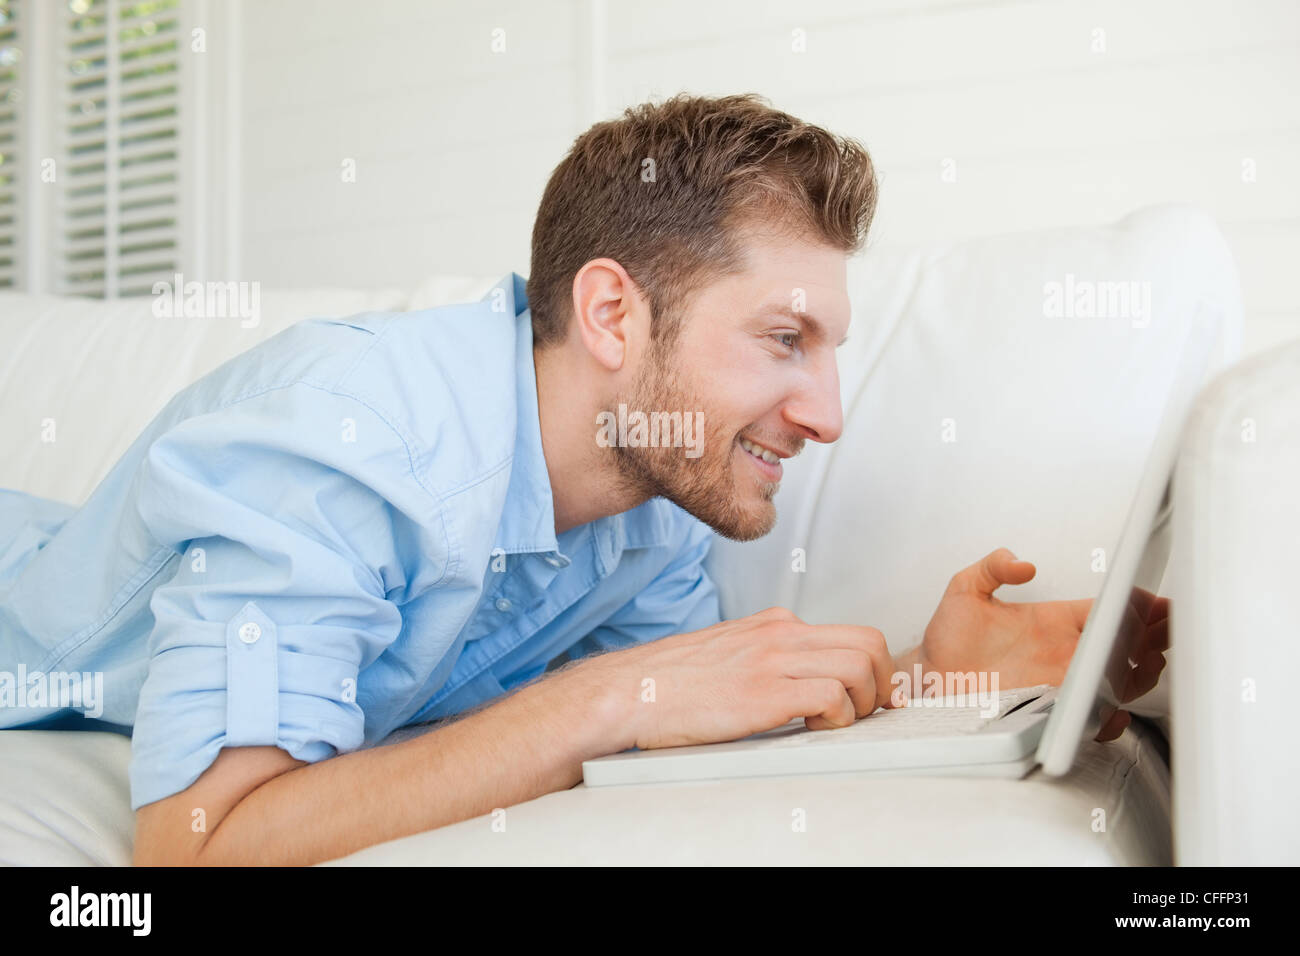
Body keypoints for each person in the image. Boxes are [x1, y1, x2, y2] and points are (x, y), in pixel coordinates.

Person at [0, 93, 1166, 866]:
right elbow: (194, 842)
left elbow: (672, 725)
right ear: (611, 311)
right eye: (782, 340)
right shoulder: (343, 444)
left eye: (830, 351)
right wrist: (614, 696)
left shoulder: (654, 509)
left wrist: (924, 678)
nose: (825, 412)